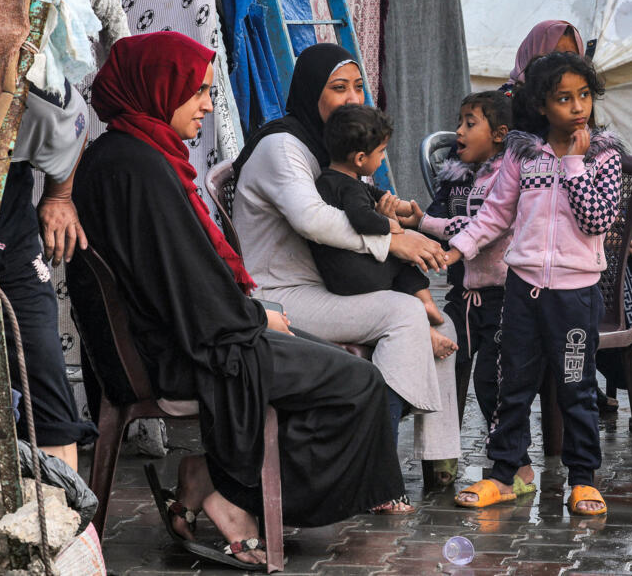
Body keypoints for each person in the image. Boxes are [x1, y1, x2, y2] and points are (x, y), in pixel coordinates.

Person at [68, 32, 407, 569]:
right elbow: (185, 286)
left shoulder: (133, 153)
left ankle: (211, 475)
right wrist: (253, 315)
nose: (208, 103)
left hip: (174, 339)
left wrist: (250, 315)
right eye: (196, 90)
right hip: (183, 353)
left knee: (332, 362)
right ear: (160, 87)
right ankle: (234, 494)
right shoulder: (138, 167)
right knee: (357, 381)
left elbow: (181, 279)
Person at [232, 43, 460, 490]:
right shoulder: (284, 146)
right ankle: (375, 463)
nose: (352, 98)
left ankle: (440, 464)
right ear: (311, 92)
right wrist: (395, 238)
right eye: (339, 88)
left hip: (325, 287)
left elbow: (352, 206)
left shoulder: (335, 145)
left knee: (442, 326)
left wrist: (390, 216)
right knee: (405, 314)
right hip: (279, 296)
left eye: (358, 87)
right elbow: (312, 219)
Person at [504, 19, 632, 441]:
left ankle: (623, 379)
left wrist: (617, 233)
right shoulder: (509, 109)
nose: (562, 66)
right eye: (548, 57)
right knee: (615, 277)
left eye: (573, 56)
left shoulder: (578, 111)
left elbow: (599, 184)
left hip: (582, 226)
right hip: (530, 241)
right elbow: (501, 197)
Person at [448, 51, 623, 515]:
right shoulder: (523, 153)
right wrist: (457, 247)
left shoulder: (603, 155)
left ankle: (583, 479)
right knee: (514, 384)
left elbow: (597, 219)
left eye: (583, 95)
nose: (577, 107)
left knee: (575, 386)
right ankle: (503, 475)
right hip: (522, 289)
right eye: (564, 98)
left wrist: (574, 164)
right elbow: (494, 214)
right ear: (543, 106)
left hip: (574, 294)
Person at [0, 81, 98, 472]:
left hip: (6, 237)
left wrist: (60, 195)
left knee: (42, 377)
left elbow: (76, 121)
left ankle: (60, 525)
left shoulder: (31, 90)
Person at [311, 103, 456, 357]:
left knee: (397, 261)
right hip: (356, 278)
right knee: (401, 261)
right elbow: (361, 218)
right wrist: (392, 226)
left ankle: (425, 310)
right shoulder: (350, 188)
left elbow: (374, 194)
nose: (381, 159)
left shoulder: (334, 180)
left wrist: (398, 205)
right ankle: (425, 303)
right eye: (380, 152)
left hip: (340, 274)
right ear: (359, 158)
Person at [417, 91, 512, 428]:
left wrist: (422, 222)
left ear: (499, 135)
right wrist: (416, 222)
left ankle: (507, 451)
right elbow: (435, 224)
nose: (459, 131)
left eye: (470, 124)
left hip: (502, 297)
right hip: (461, 294)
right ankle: (443, 451)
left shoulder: (507, 180)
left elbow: (480, 227)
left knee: (491, 377)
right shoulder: (454, 177)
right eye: (459, 122)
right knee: (447, 361)